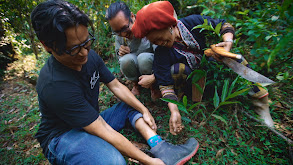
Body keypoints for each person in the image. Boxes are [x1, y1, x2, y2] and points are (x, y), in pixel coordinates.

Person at [31, 0, 199, 164]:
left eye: (86, 43)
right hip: (64, 135)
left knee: (130, 106)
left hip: (90, 119)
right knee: (112, 161)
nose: (84, 53)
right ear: (47, 46)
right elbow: (101, 128)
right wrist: (150, 161)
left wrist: (144, 109)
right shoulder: (55, 85)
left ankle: (162, 149)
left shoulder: (89, 57)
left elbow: (115, 85)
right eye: (74, 49)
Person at [131, 1, 275, 135]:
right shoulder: (161, 52)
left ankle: (260, 101)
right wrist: (174, 110)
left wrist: (227, 42)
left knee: (235, 58)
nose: (160, 43)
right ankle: (188, 100)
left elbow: (224, 25)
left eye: (160, 38)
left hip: (214, 72)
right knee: (176, 70)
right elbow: (165, 84)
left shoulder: (193, 22)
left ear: (170, 26)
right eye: (154, 41)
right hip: (192, 83)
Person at [105, 1, 160, 99]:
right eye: (117, 32)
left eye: (124, 28)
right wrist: (120, 52)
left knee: (144, 58)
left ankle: (154, 87)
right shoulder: (120, 34)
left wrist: (154, 76)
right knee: (125, 60)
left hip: (151, 66)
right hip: (135, 67)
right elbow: (119, 58)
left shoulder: (146, 24)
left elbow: (161, 53)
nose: (122, 34)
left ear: (132, 16)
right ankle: (136, 85)